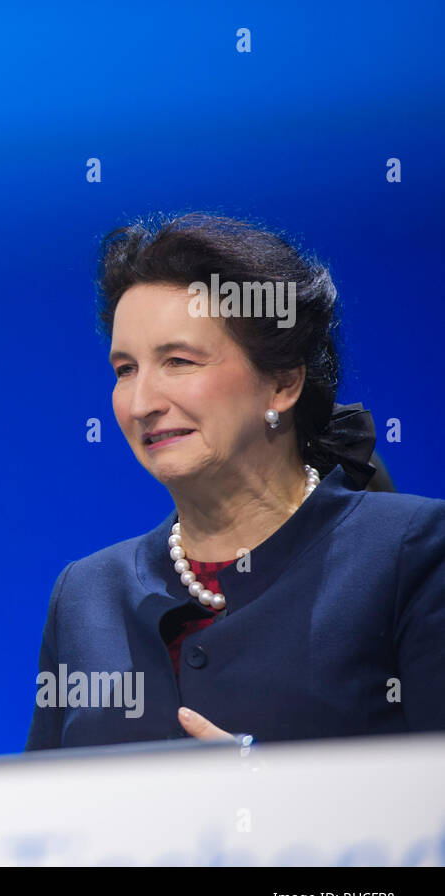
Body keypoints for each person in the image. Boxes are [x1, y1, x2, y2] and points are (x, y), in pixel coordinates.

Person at [26, 213, 445, 750]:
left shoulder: (409, 554)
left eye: (178, 361)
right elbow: (42, 812)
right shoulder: (85, 595)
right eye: (125, 369)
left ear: (282, 383)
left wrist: (263, 800)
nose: (141, 403)